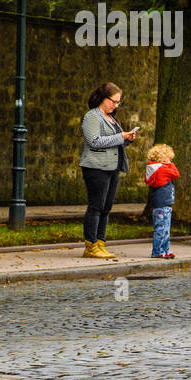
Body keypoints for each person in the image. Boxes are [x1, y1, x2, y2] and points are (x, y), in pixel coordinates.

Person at [79, 82, 138, 259]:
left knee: (106, 207)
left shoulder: (113, 118)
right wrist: (120, 136)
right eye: (113, 101)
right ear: (103, 98)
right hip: (96, 167)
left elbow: (115, 141)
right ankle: (90, 246)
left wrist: (127, 138)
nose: (116, 105)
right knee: (96, 206)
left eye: (118, 102)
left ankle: (100, 242)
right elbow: (94, 141)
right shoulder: (92, 117)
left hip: (113, 167)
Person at [144, 143, 179, 259]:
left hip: (159, 202)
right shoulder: (162, 169)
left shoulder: (153, 168)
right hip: (163, 202)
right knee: (162, 228)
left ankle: (164, 250)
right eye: (168, 157)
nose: (170, 160)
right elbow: (176, 173)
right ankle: (158, 251)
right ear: (161, 158)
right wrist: (170, 164)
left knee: (163, 228)